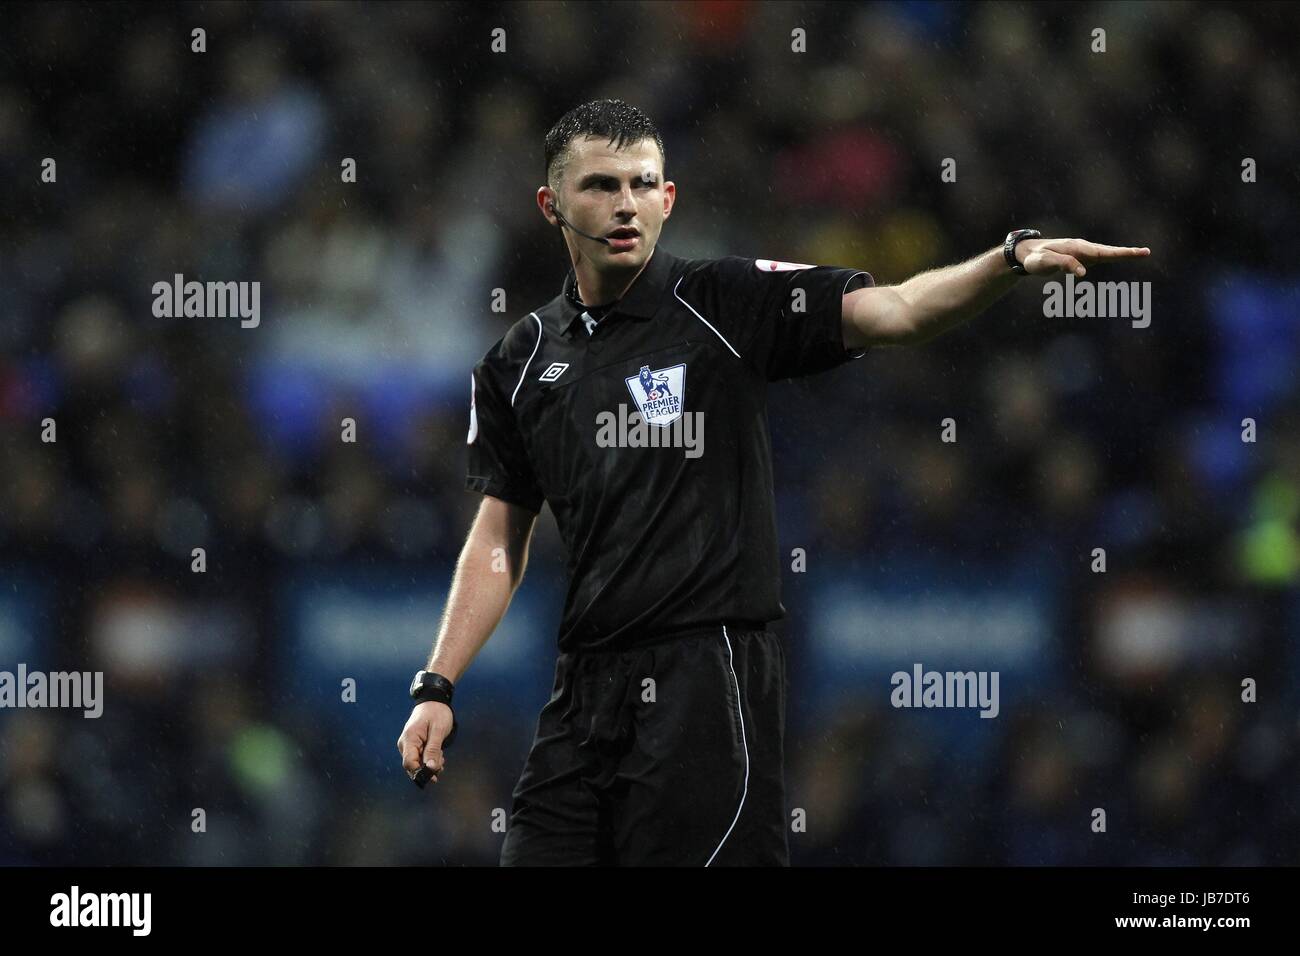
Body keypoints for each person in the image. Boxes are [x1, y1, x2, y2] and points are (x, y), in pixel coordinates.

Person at [397, 99, 1150, 865]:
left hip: (707, 676)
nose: (625, 203)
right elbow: (499, 535)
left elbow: (896, 312)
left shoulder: (728, 302)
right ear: (550, 205)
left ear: (669, 198)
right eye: (599, 185)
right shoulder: (517, 361)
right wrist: (437, 684)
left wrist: (1007, 260)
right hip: (583, 687)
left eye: (642, 182)